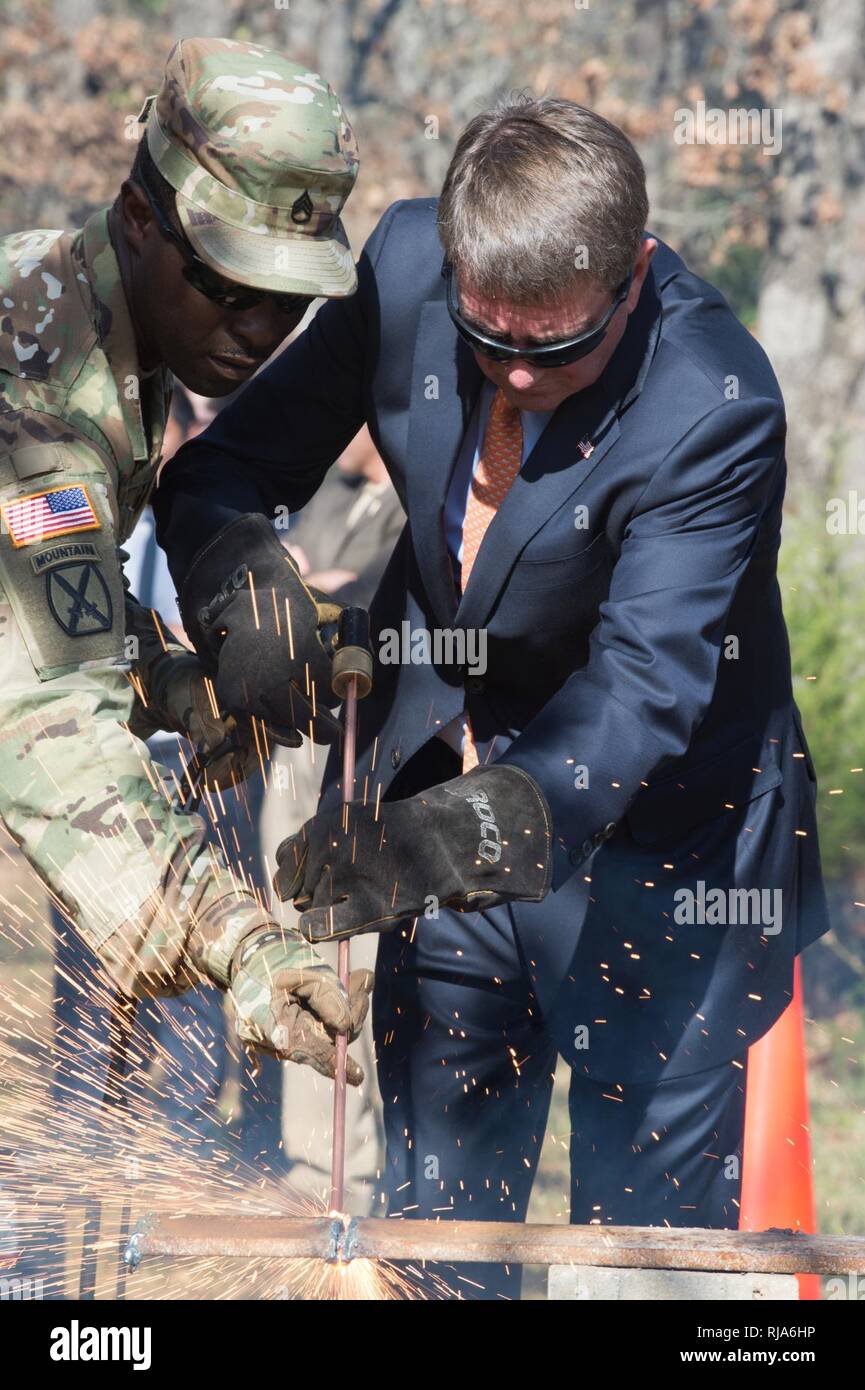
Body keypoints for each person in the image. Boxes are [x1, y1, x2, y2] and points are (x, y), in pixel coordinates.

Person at [155, 97, 830, 1298]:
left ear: (634, 271)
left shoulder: (712, 402)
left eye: (557, 351)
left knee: (646, 1262)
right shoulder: (407, 260)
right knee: (439, 1237)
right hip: (445, 787)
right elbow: (224, 464)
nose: (517, 375)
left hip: (666, 853)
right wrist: (240, 586)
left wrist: (432, 845)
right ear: (454, 266)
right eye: (486, 338)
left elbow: (640, 690)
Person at [0, 36, 371, 1089]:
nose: (256, 328)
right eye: (224, 282)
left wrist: (164, 675)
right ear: (135, 218)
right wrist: (239, 942)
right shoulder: (36, 383)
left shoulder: (93, 324)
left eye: (286, 295)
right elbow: (44, 717)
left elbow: (42, 590)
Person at [261, 426, 403, 1207]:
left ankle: (346, 1174)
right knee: (291, 935)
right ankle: (306, 1162)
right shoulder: (328, 496)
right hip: (299, 748)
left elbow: (358, 597)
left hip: (359, 751)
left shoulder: (414, 507)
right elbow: (293, 578)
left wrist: (326, 592)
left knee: (355, 961)